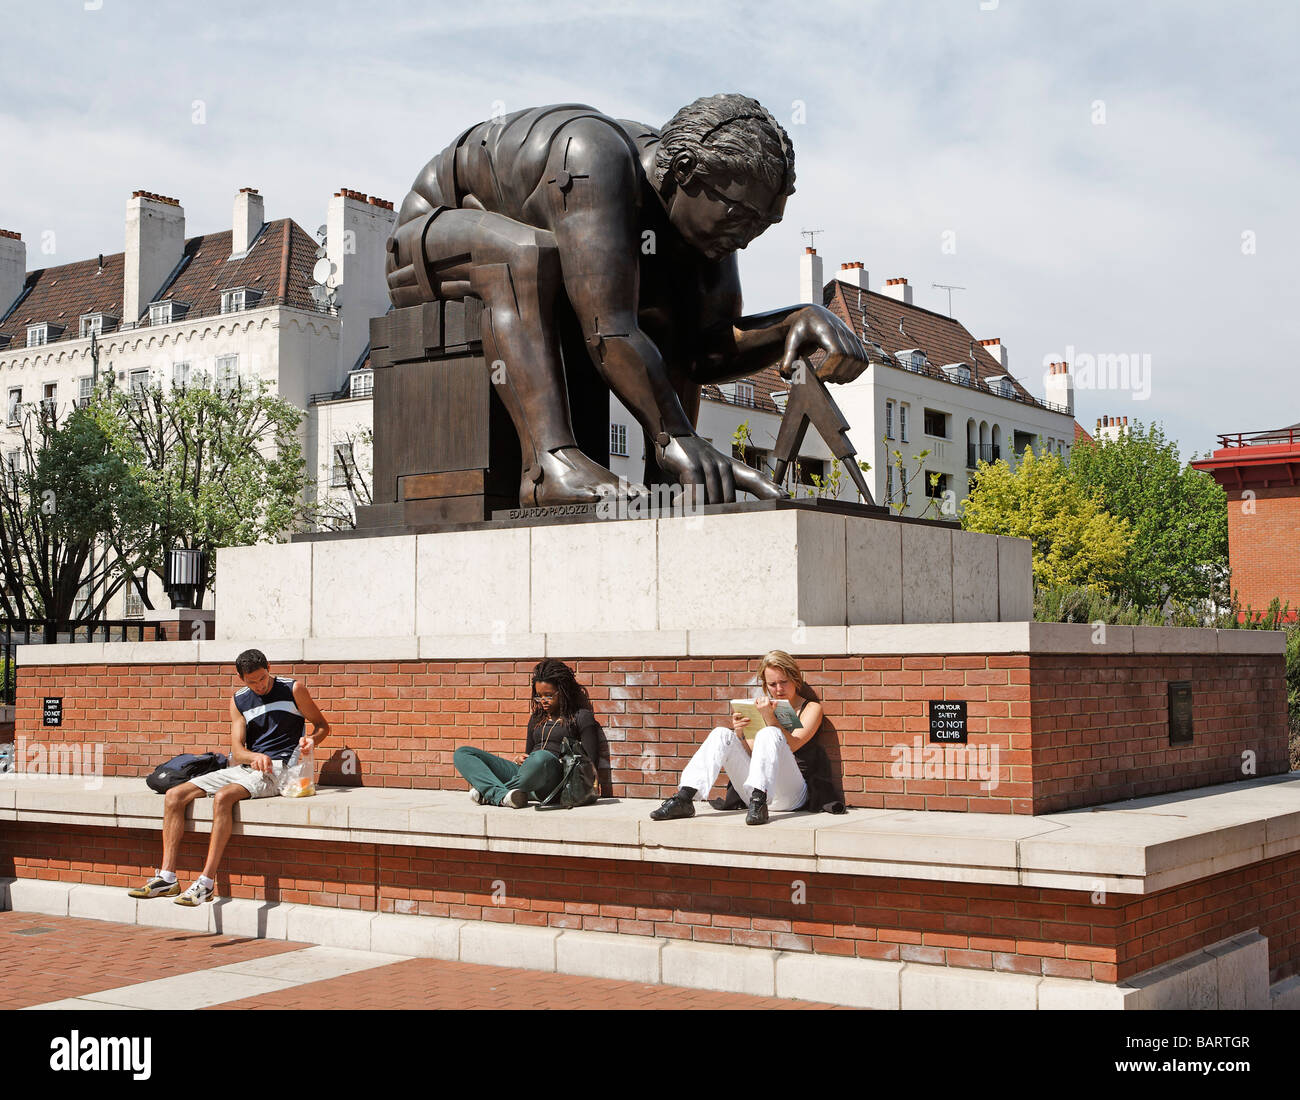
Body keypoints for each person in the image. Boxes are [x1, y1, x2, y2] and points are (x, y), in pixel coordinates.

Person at [386, 94, 871, 507]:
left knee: (662, 303)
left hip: (521, 260)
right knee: (527, 256)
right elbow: (609, 329)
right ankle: (548, 466)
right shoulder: (592, 158)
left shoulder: (704, 225)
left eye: (761, 226)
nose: (745, 240)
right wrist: (676, 436)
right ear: (684, 172)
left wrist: (794, 324)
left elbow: (701, 353)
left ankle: (667, 482)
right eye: (739, 216)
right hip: (424, 239)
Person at [127, 649, 330, 906]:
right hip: (247, 767)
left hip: (281, 771)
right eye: (252, 681)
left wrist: (310, 740)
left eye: (263, 678)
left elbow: (323, 726)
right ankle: (167, 877)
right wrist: (252, 756)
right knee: (174, 795)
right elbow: (237, 750)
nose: (259, 686)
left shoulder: (293, 689)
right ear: (241, 678)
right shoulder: (239, 700)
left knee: (223, 797)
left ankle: (206, 883)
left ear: (268, 668)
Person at [650, 650, 835, 826]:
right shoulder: (761, 705)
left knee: (769, 732)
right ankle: (685, 797)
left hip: (791, 794)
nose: (778, 689)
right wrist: (739, 734)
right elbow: (755, 753)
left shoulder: (811, 708)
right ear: (765, 685)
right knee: (722, 734)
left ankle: (760, 801)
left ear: (795, 679)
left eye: (784, 682)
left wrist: (770, 718)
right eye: (772, 684)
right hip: (754, 797)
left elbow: (794, 744)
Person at [454, 659, 602, 807]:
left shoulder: (581, 717)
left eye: (549, 695)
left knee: (542, 758)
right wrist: (520, 759)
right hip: (529, 778)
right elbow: (529, 760)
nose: (543, 701)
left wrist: (543, 761)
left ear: (563, 691)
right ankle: (503, 795)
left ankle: (490, 793)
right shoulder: (537, 718)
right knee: (463, 753)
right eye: (539, 696)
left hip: (555, 782)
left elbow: (589, 766)